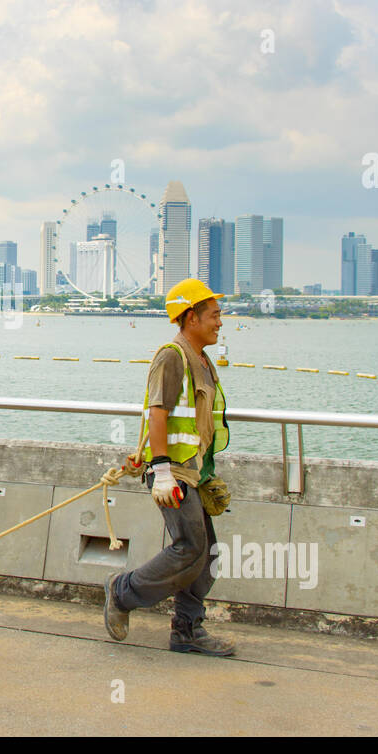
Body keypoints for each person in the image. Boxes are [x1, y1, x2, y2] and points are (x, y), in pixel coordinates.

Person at [103, 278, 235, 655]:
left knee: (207, 554)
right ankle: (122, 592)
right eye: (214, 315)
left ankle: (187, 631)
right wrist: (159, 470)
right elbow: (157, 413)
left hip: (193, 471)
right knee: (189, 547)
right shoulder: (172, 356)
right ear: (191, 317)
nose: (220, 322)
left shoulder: (202, 359)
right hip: (172, 472)